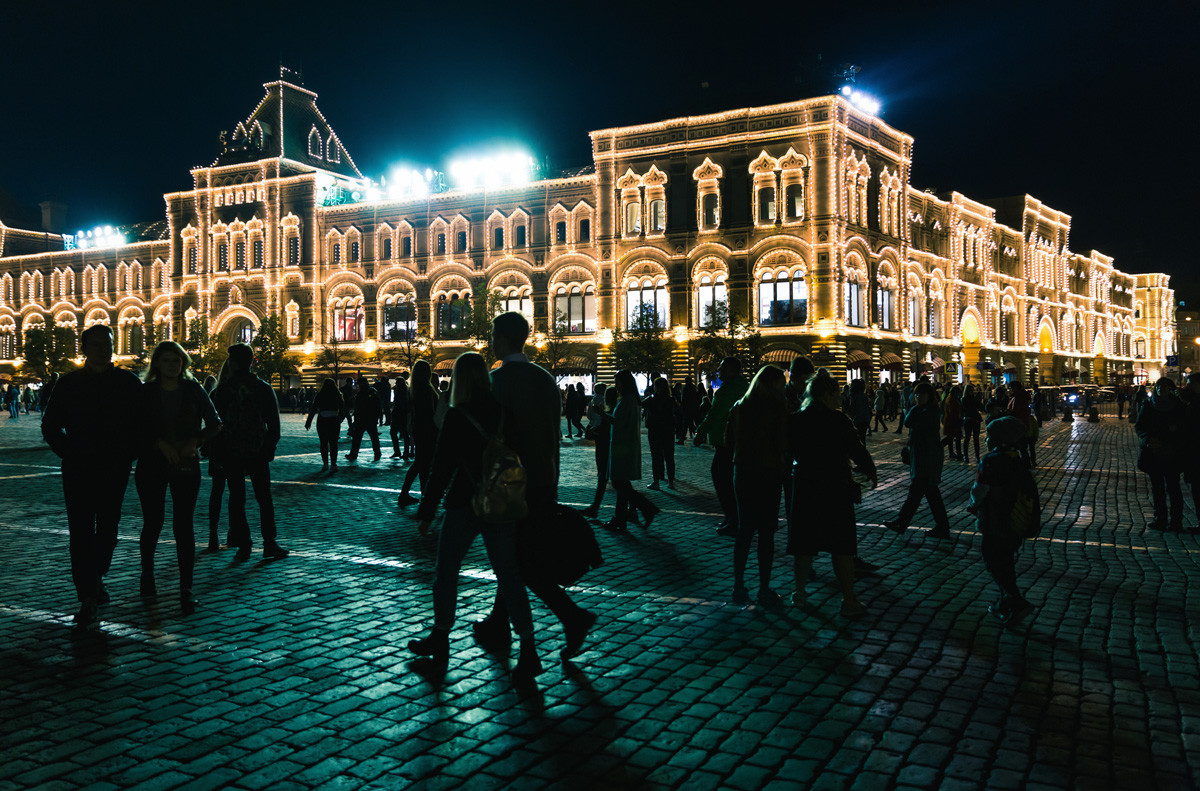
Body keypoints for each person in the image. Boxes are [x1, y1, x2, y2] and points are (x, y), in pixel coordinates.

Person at [410, 352, 541, 680]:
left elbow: (441, 467)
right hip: (498, 503)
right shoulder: (501, 412)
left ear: (459, 379)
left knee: (447, 573)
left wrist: (427, 513)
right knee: (509, 575)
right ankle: (529, 648)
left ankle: (440, 640)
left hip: (463, 504)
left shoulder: (456, 414)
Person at [475, 312, 597, 660]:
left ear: (502, 338)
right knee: (515, 555)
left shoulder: (496, 380)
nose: (491, 339)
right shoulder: (545, 378)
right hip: (545, 478)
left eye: (493, 334)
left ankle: (572, 616)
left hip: (512, 486)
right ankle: (499, 622)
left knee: (517, 561)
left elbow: (493, 436)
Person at [41, 324, 143, 628]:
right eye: (97, 344)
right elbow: (50, 426)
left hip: (114, 468)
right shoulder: (70, 384)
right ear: (84, 348)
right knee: (81, 532)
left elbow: (144, 421)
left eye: (108, 344)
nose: (104, 349)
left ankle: (97, 575)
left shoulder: (127, 382)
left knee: (109, 528)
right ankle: (87, 594)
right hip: (79, 469)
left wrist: (128, 453)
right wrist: (68, 452)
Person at [135, 341, 222, 613]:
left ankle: (187, 587)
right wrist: (158, 444)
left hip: (185, 465)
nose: (172, 365)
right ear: (156, 364)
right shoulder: (146, 392)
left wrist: (194, 441)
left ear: (183, 363)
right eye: (166, 361)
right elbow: (134, 427)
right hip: (151, 464)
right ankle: (147, 574)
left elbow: (216, 423)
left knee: (183, 525)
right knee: (153, 521)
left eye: (177, 360)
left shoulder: (194, 389)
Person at [789, 369, 877, 618]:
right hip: (835, 486)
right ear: (826, 394)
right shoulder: (839, 420)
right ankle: (849, 599)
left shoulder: (796, 419)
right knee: (842, 545)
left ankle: (799, 594)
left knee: (803, 544)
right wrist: (870, 471)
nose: (840, 398)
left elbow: (786, 451)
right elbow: (856, 449)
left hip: (805, 485)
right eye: (836, 394)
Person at [209, 343, 288, 560]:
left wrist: (217, 455)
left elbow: (216, 425)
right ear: (252, 361)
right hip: (257, 451)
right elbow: (274, 424)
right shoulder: (262, 387)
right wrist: (269, 447)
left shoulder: (222, 390)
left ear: (232, 363)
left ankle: (244, 545)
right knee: (264, 498)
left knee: (237, 499)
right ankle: (270, 543)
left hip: (232, 452)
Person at [726, 365, 789, 606]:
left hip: (742, 470)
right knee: (766, 532)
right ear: (774, 384)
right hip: (768, 472)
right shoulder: (777, 406)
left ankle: (738, 586)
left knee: (744, 531)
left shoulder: (739, 406)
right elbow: (783, 442)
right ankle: (764, 588)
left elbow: (727, 440)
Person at [968, 416, 1039, 626]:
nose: (986, 440)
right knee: (1005, 562)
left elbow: (980, 489)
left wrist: (973, 505)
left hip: (995, 521)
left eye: (989, 436)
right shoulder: (1016, 459)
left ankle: (1015, 600)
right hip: (1015, 523)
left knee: (992, 559)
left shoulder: (990, 461)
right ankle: (1005, 603)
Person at [884, 381, 951, 539]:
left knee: (917, 493)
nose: (917, 397)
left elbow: (909, 422)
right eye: (916, 394)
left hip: (928, 458)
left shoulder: (931, 411)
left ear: (929, 396)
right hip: (920, 456)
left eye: (921, 394)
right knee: (930, 494)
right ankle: (942, 527)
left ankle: (902, 523)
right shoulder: (922, 410)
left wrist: (914, 408)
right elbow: (909, 423)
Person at [694, 357, 749, 537]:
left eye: (722, 368)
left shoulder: (728, 390)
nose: (719, 370)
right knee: (727, 480)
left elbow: (715, 414)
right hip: (736, 440)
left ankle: (733, 519)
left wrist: (700, 433)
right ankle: (732, 518)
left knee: (723, 481)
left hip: (725, 440)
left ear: (732, 370)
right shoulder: (744, 386)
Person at [605, 369, 661, 531]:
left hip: (623, 445)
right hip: (626, 444)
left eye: (617, 382)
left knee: (619, 483)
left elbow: (618, 422)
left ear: (623, 383)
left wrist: (602, 413)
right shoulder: (632, 400)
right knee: (622, 484)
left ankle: (647, 508)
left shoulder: (627, 400)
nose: (616, 386)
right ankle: (620, 519)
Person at [1136, 377, 1187, 531]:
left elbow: (1184, 429)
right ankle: (1160, 518)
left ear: (1170, 389)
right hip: (1153, 451)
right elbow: (1140, 427)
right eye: (1158, 386)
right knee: (1157, 488)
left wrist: (1174, 440)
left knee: (1173, 488)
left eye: (1164, 387)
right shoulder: (1148, 405)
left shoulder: (1178, 406)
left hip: (1172, 453)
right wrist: (1148, 440)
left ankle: (1176, 521)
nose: (1161, 389)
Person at [398, 361, 438, 505]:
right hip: (428, 430)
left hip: (419, 429)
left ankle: (416, 493)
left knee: (421, 463)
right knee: (422, 463)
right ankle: (418, 494)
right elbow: (430, 412)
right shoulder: (427, 389)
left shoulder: (414, 389)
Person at [583, 387, 618, 518]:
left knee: (609, 479)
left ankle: (595, 507)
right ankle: (595, 507)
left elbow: (609, 426)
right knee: (615, 481)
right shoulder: (613, 409)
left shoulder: (613, 410)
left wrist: (595, 429)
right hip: (607, 445)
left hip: (606, 446)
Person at [643, 377, 678, 490]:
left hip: (655, 430)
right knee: (669, 456)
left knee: (656, 456)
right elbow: (677, 412)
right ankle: (671, 482)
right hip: (668, 430)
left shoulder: (652, 399)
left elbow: (641, 404)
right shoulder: (671, 399)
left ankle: (656, 481)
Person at [305, 378, 344, 471]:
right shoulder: (338, 394)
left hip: (322, 419)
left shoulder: (320, 395)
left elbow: (314, 408)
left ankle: (325, 464)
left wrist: (308, 421)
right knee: (333, 443)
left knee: (323, 443)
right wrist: (340, 418)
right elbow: (343, 408)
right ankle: (334, 464)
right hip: (334, 419)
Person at [1177, 373, 1200, 531]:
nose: (1187, 386)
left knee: (1198, 490)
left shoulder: (1194, 402)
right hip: (1193, 453)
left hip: (1196, 453)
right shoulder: (1191, 401)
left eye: (1190, 383)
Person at [346, 375, 382, 462]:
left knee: (357, 438)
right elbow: (377, 406)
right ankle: (377, 453)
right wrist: (376, 417)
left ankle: (353, 454)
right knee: (373, 437)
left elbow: (358, 407)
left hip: (362, 419)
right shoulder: (372, 391)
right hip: (370, 419)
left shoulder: (361, 393)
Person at [961, 383, 984, 463]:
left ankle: (975, 456)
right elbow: (974, 408)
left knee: (974, 438)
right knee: (969, 438)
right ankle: (967, 456)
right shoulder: (965, 399)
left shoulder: (966, 399)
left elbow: (980, 407)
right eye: (971, 390)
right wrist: (977, 400)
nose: (972, 392)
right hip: (970, 419)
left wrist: (978, 400)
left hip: (970, 419)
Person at [391, 371, 411, 460]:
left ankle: (397, 451)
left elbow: (397, 403)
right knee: (405, 434)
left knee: (394, 432)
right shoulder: (406, 390)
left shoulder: (398, 391)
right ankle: (405, 452)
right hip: (404, 414)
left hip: (398, 414)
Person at [942, 385, 964, 461]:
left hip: (950, 421)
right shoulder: (952, 399)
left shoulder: (949, 398)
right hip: (952, 422)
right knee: (955, 438)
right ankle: (958, 453)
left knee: (950, 438)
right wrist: (957, 421)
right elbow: (953, 412)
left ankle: (952, 453)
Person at [849, 378, 871, 443]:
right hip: (863, 419)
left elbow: (855, 408)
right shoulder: (862, 395)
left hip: (858, 420)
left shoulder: (855, 396)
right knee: (862, 438)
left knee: (858, 439)